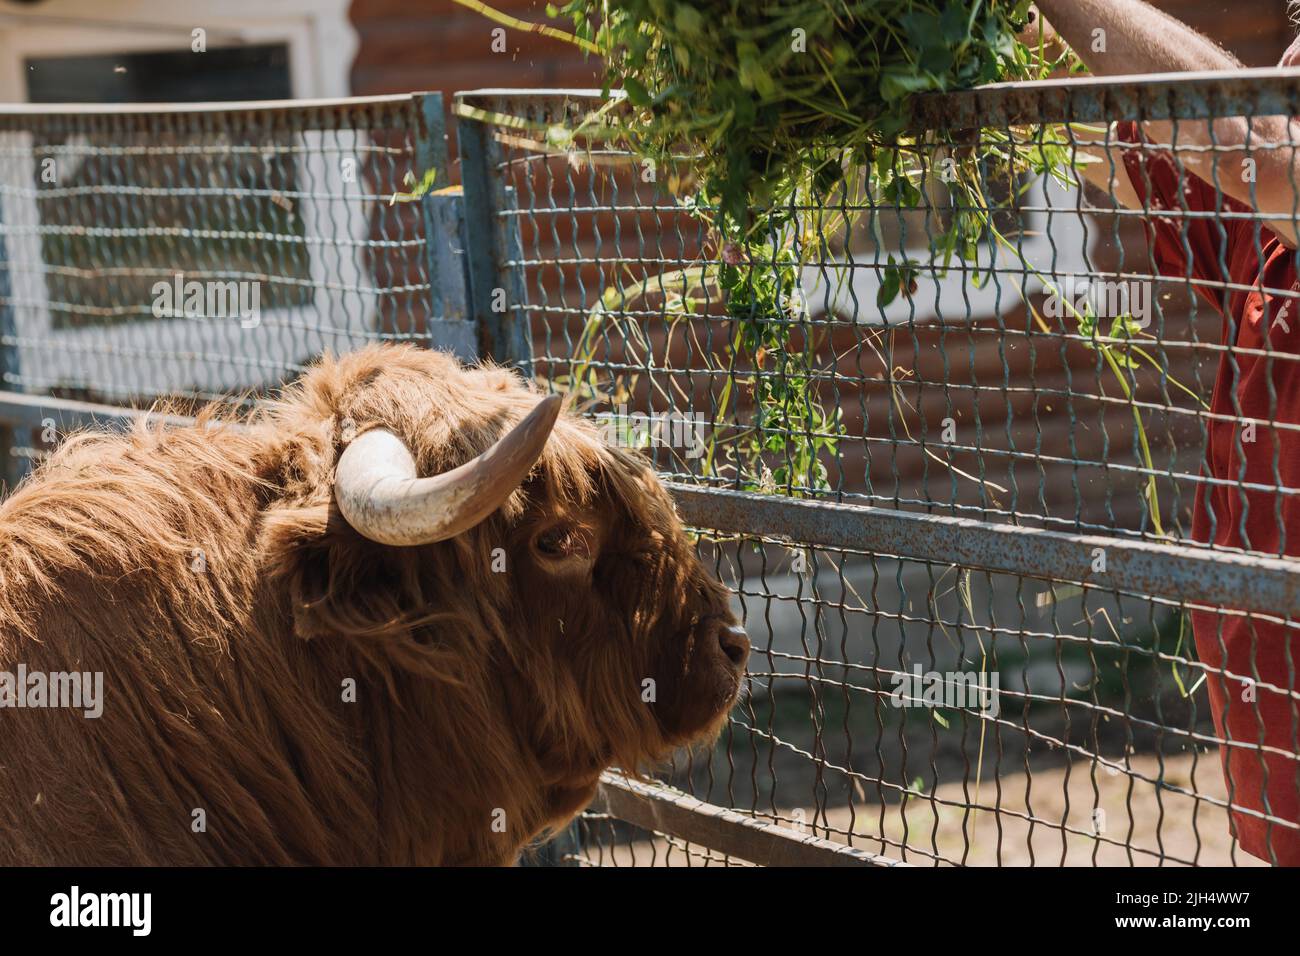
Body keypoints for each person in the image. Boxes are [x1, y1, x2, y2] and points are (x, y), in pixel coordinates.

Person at [1032, 0, 1300, 864]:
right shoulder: (1276, 260)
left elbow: (1254, 152)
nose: (1291, 48)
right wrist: (986, 42)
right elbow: (1141, 158)